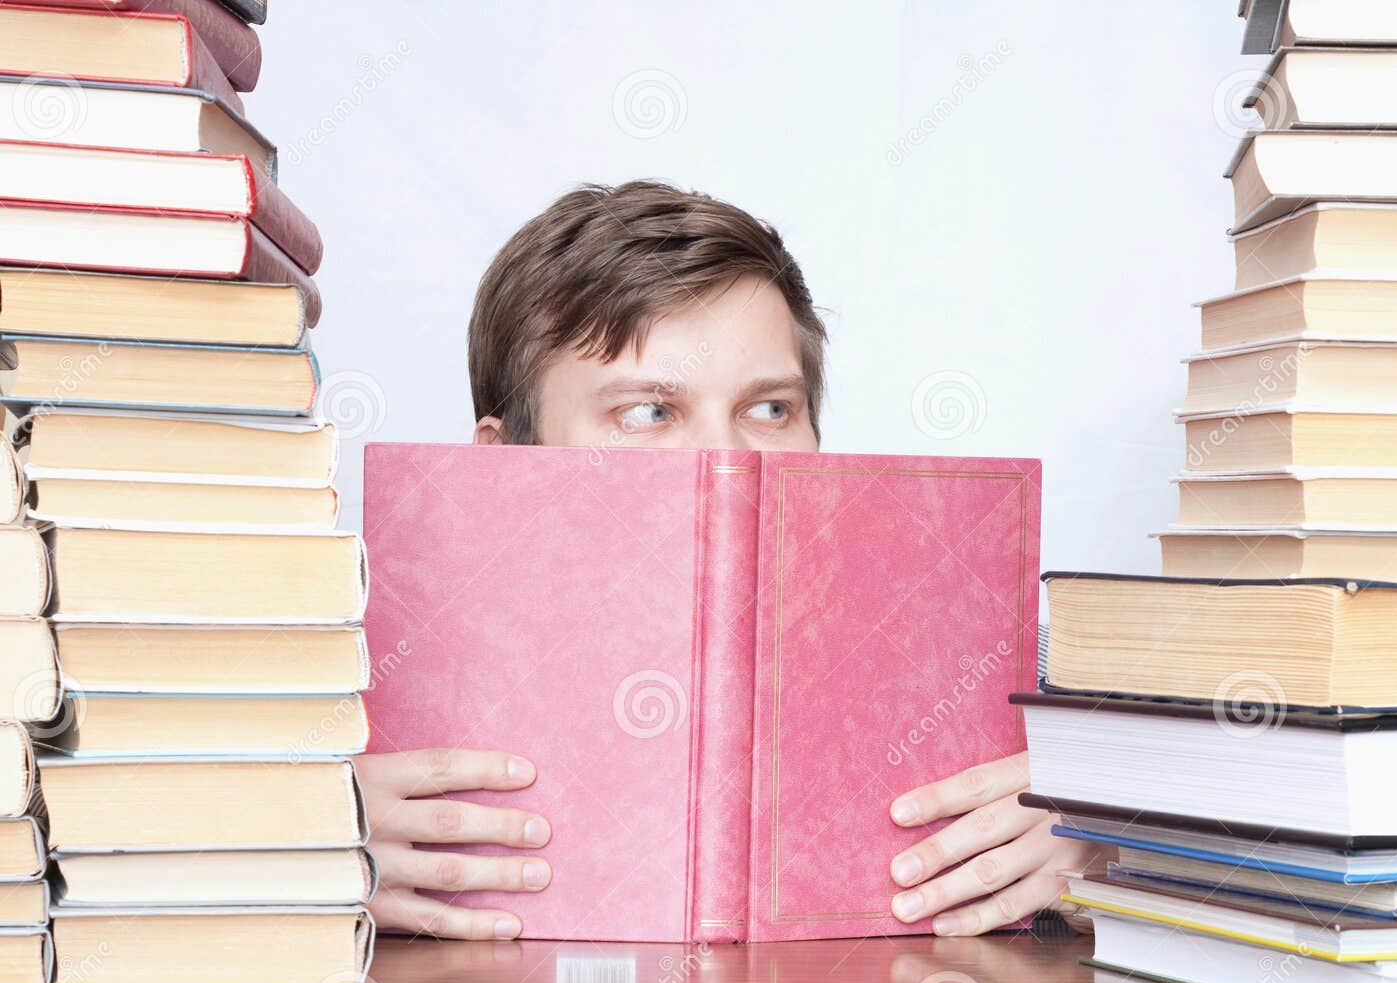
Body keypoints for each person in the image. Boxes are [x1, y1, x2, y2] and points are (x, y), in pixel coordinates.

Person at [353, 180, 1097, 940]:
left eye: (770, 408)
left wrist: (1107, 841)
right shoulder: (325, 689)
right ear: (501, 464)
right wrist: (293, 848)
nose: (726, 460)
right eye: (647, 411)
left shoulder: (1017, 677)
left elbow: (1183, 846)